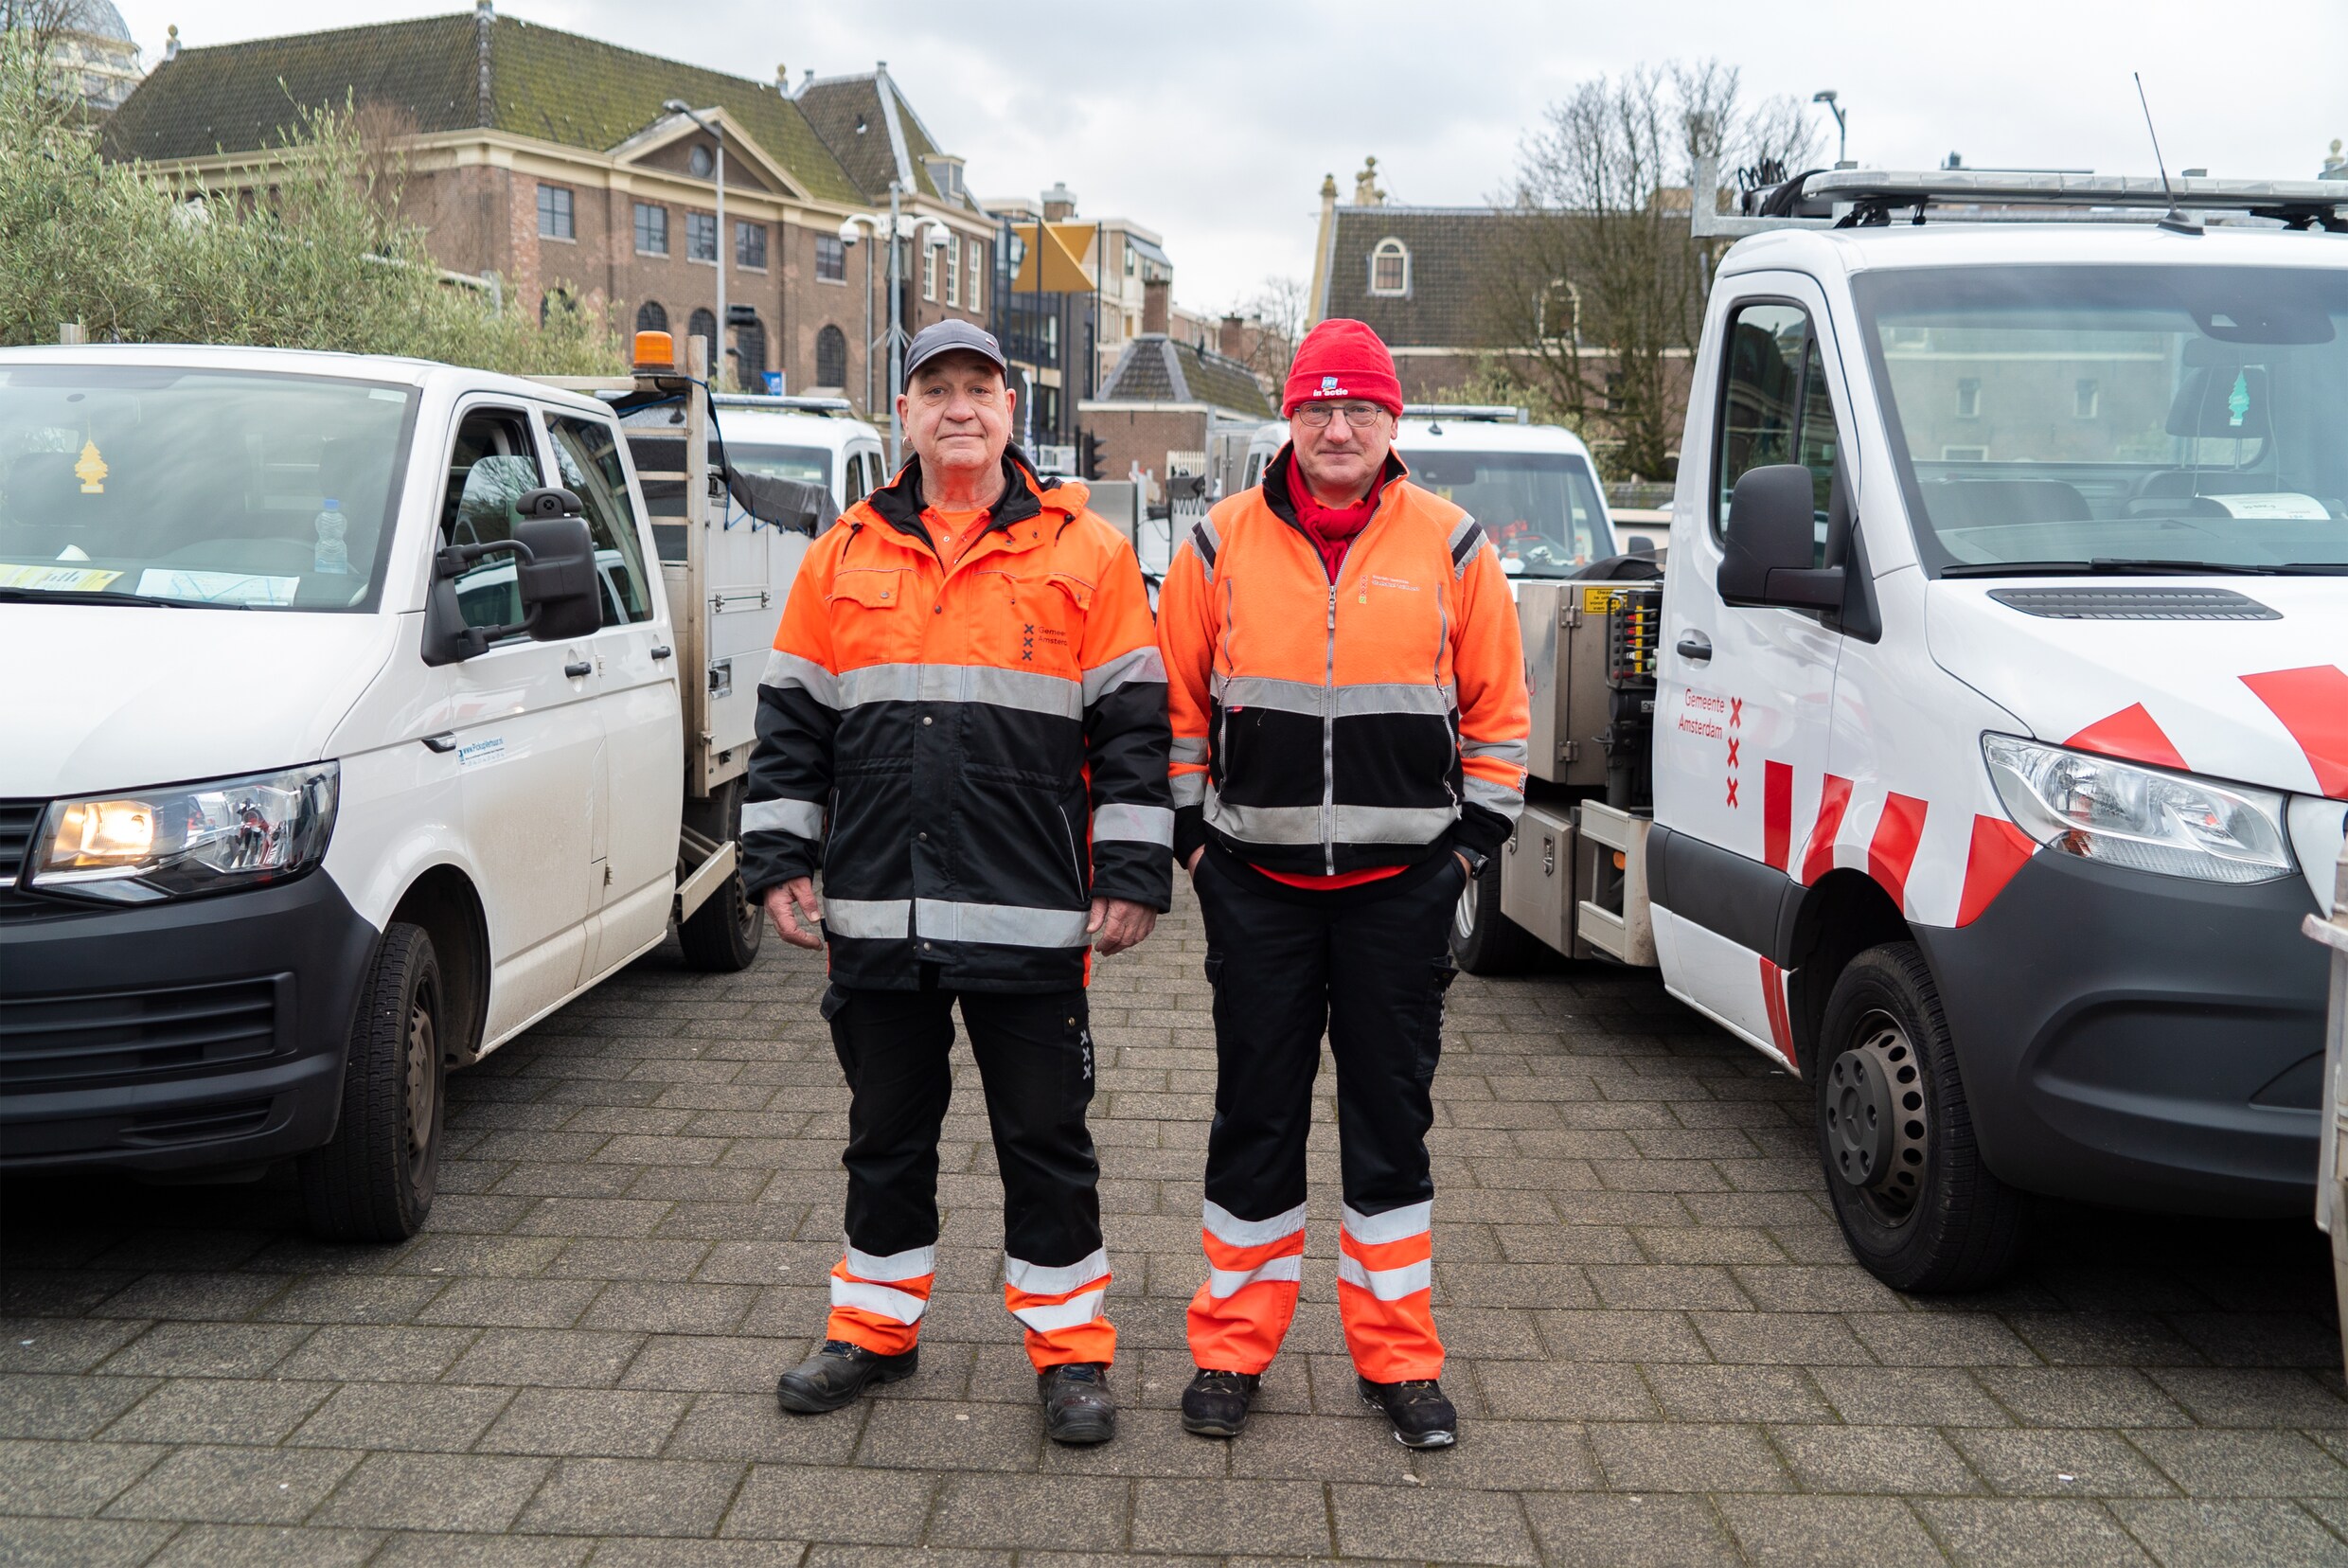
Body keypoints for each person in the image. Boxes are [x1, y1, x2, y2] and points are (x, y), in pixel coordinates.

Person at [740, 320, 1171, 1446]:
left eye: (979, 388)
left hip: (1031, 914)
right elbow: (789, 728)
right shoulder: (839, 555)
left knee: (1046, 1139)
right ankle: (874, 1332)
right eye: (936, 390)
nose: (959, 408)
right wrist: (777, 860)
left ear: (1009, 412)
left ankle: (1069, 1354)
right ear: (906, 416)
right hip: (880, 912)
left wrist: (1130, 871)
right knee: (885, 1135)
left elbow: (1134, 729)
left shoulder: (1088, 554)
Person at [1156, 318, 1530, 1449]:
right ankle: (1231, 1350)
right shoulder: (1216, 544)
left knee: (1389, 1128)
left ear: (1389, 423)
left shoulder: (1454, 546)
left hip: (1398, 894)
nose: (1335, 428)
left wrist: (1462, 853)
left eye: (1356, 409)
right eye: (1316, 408)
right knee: (1253, 1123)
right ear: (1288, 418)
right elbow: (1175, 712)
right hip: (1256, 890)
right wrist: (1195, 848)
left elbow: (1498, 719)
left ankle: (1397, 1359)